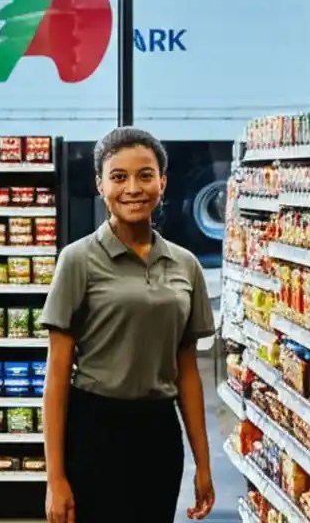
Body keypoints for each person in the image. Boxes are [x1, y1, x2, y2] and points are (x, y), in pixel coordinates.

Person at [42, 126, 216, 523]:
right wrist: (54, 478)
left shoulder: (186, 265)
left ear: (163, 182)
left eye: (145, 175)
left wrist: (202, 465)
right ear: (100, 185)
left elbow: (187, 372)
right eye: (118, 177)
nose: (133, 188)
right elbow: (56, 378)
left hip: (158, 432)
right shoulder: (78, 260)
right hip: (95, 430)